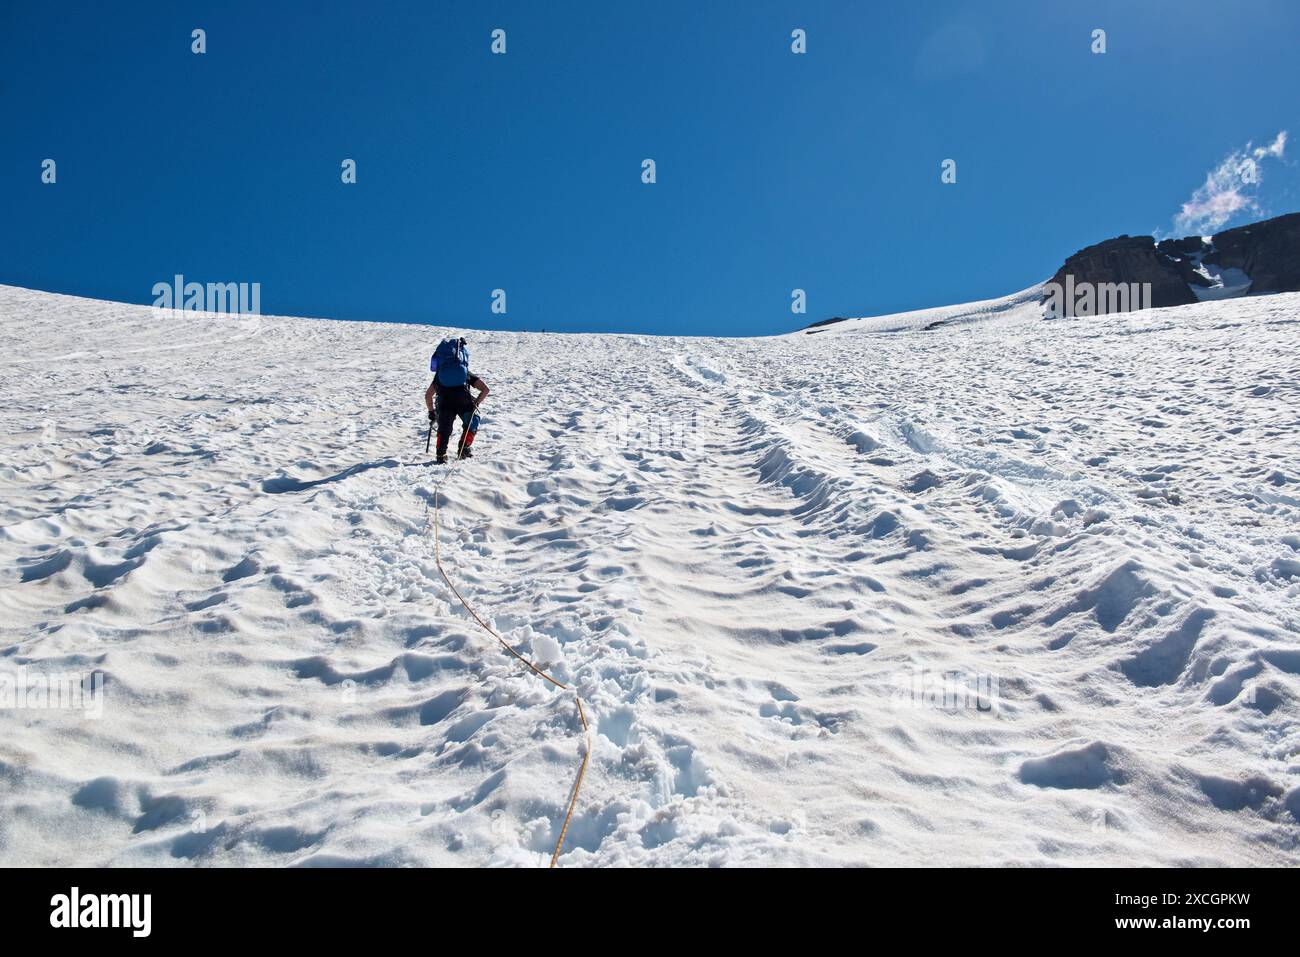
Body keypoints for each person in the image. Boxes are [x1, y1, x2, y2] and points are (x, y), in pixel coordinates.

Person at [425, 337, 489, 464]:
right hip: (463, 401)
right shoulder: (465, 373)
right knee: (472, 421)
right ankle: (464, 449)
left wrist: (431, 412)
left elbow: (428, 395)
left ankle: (441, 455)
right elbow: (485, 389)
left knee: (444, 428)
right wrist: (476, 403)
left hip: (444, 403)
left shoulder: (439, 375)